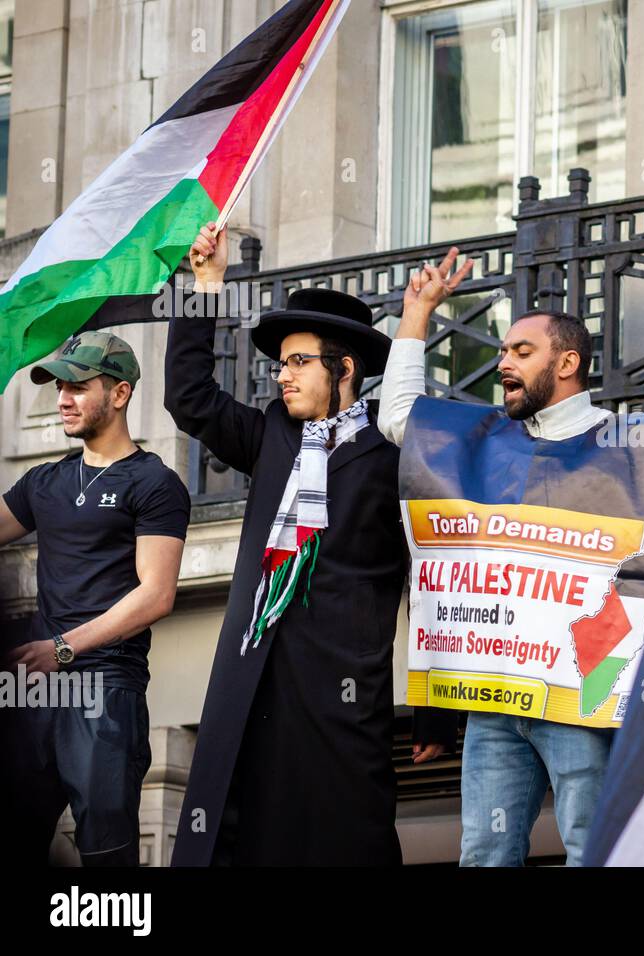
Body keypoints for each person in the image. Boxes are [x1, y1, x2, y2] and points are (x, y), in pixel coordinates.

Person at [166, 222, 458, 866]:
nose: (282, 378)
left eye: (299, 363)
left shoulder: (393, 461)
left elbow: (429, 584)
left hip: (341, 698)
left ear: (344, 368)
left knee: (342, 842)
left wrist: (435, 710)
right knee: (235, 839)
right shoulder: (271, 435)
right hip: (251, 676)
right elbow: (189, 398)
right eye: (280, 364)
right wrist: (205, 288)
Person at [380, 259, 626, 867]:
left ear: (567, 363)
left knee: (593, 844)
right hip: (494, 699)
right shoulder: (483, 433)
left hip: (580, 697)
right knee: (485, 852)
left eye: (521, 351)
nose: (503, 364)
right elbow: (397, 420)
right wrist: (416, 315)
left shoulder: (630, 446)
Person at [0, 333, 189, 865]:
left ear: (121, 393)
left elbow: (156, 595)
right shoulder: (44, 481)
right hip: (35, 688)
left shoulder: (153, 483)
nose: (63, 397)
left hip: (104, 686)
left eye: (78, 386)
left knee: (107, 857)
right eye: (60, 386)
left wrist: (61, 649)